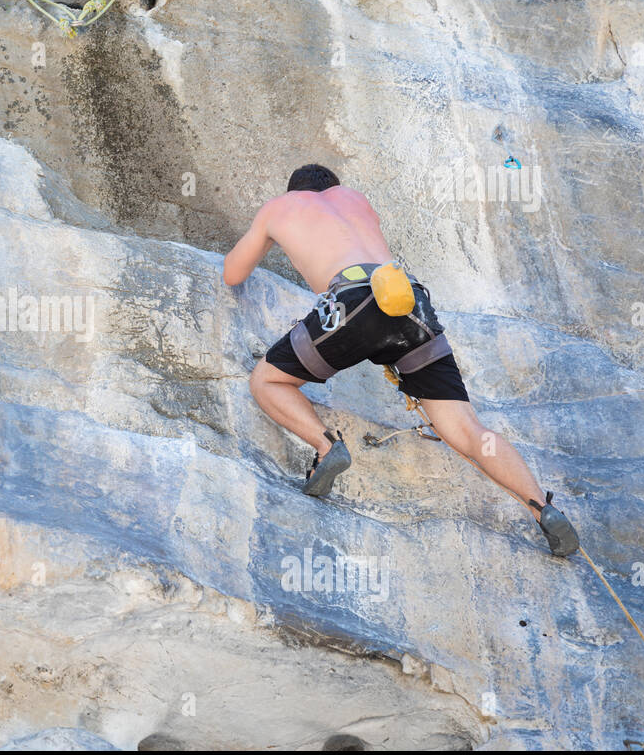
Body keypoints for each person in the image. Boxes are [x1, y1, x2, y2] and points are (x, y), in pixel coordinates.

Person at [223, 163, 579, 557]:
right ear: (334, 188)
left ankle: (327, 447)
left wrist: (272, 236)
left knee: (267, 381)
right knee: (465, 429)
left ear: (294, 192)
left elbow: (232, 274)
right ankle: (542, 509)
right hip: (408, 300)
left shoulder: (281, 207)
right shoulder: (355, 200)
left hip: (354, 301)